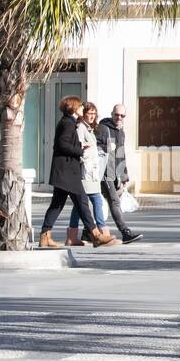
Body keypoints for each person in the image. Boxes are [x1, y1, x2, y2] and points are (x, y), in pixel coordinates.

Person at [38, 96, 116, 248]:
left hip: (64, 172)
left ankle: (45, 236)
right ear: (73, 108)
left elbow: (64, 143)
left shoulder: (67, 122)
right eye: (80, 107)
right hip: (67, 173)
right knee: (81, 201)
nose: (82, 109)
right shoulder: (68, 123)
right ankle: (95, 235)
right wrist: (80, 150)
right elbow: (62, 144)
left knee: (57, 205)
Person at [96, 103, 141, 244]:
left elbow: (121, 154)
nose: (119, 117)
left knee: (99, 202)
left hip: (115, 173)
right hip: (105, 171)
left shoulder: (121, 131)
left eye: (122, 115)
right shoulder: (104, 128)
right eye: (116, 114)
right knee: (114, 201)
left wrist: (124, 175)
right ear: (112, 114)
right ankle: (125, 232)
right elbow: (96, 148)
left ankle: (87, 233)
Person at [66, 102, 109, 246]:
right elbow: (76, 146)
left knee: (79, 206)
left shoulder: (88, 128)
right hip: (86, 172)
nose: (92, 116)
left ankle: (72, 237)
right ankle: (103, 233)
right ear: (83, 114)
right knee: (96, 201)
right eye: (89, 113)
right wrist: (84, 153)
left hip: (91, 172)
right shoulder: (81, 128)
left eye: (94, 113)